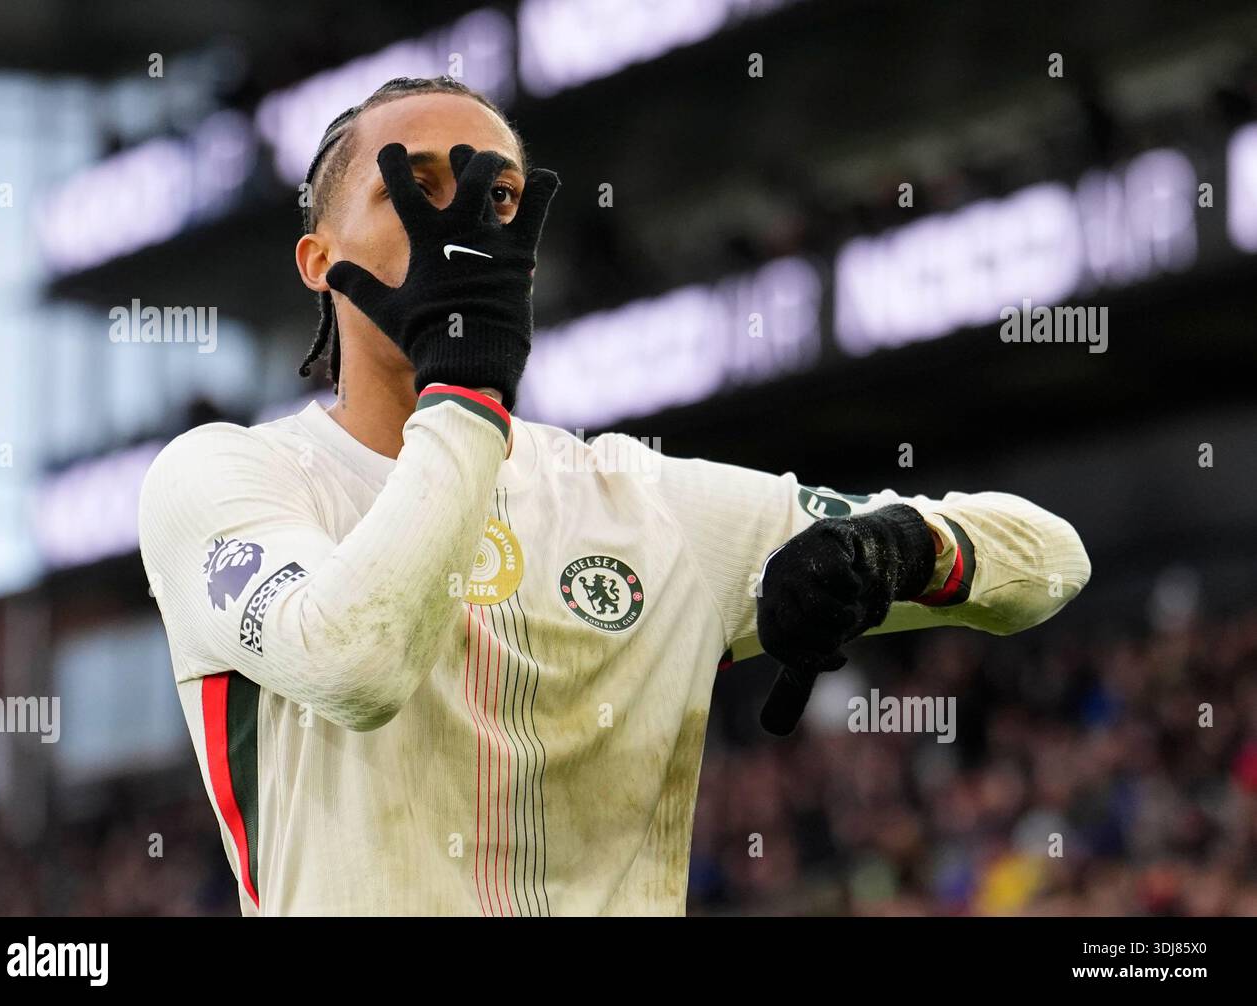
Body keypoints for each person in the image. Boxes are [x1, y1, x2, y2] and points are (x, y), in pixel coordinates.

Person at [138, 76, 1091, 916]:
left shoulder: (642, 503)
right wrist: (463, 394)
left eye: (494, 198)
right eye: (415, 190)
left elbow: (1050, 558)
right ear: (318, 261)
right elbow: (357, 664)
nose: (462, 229)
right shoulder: (226, 480)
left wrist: (894, 551)